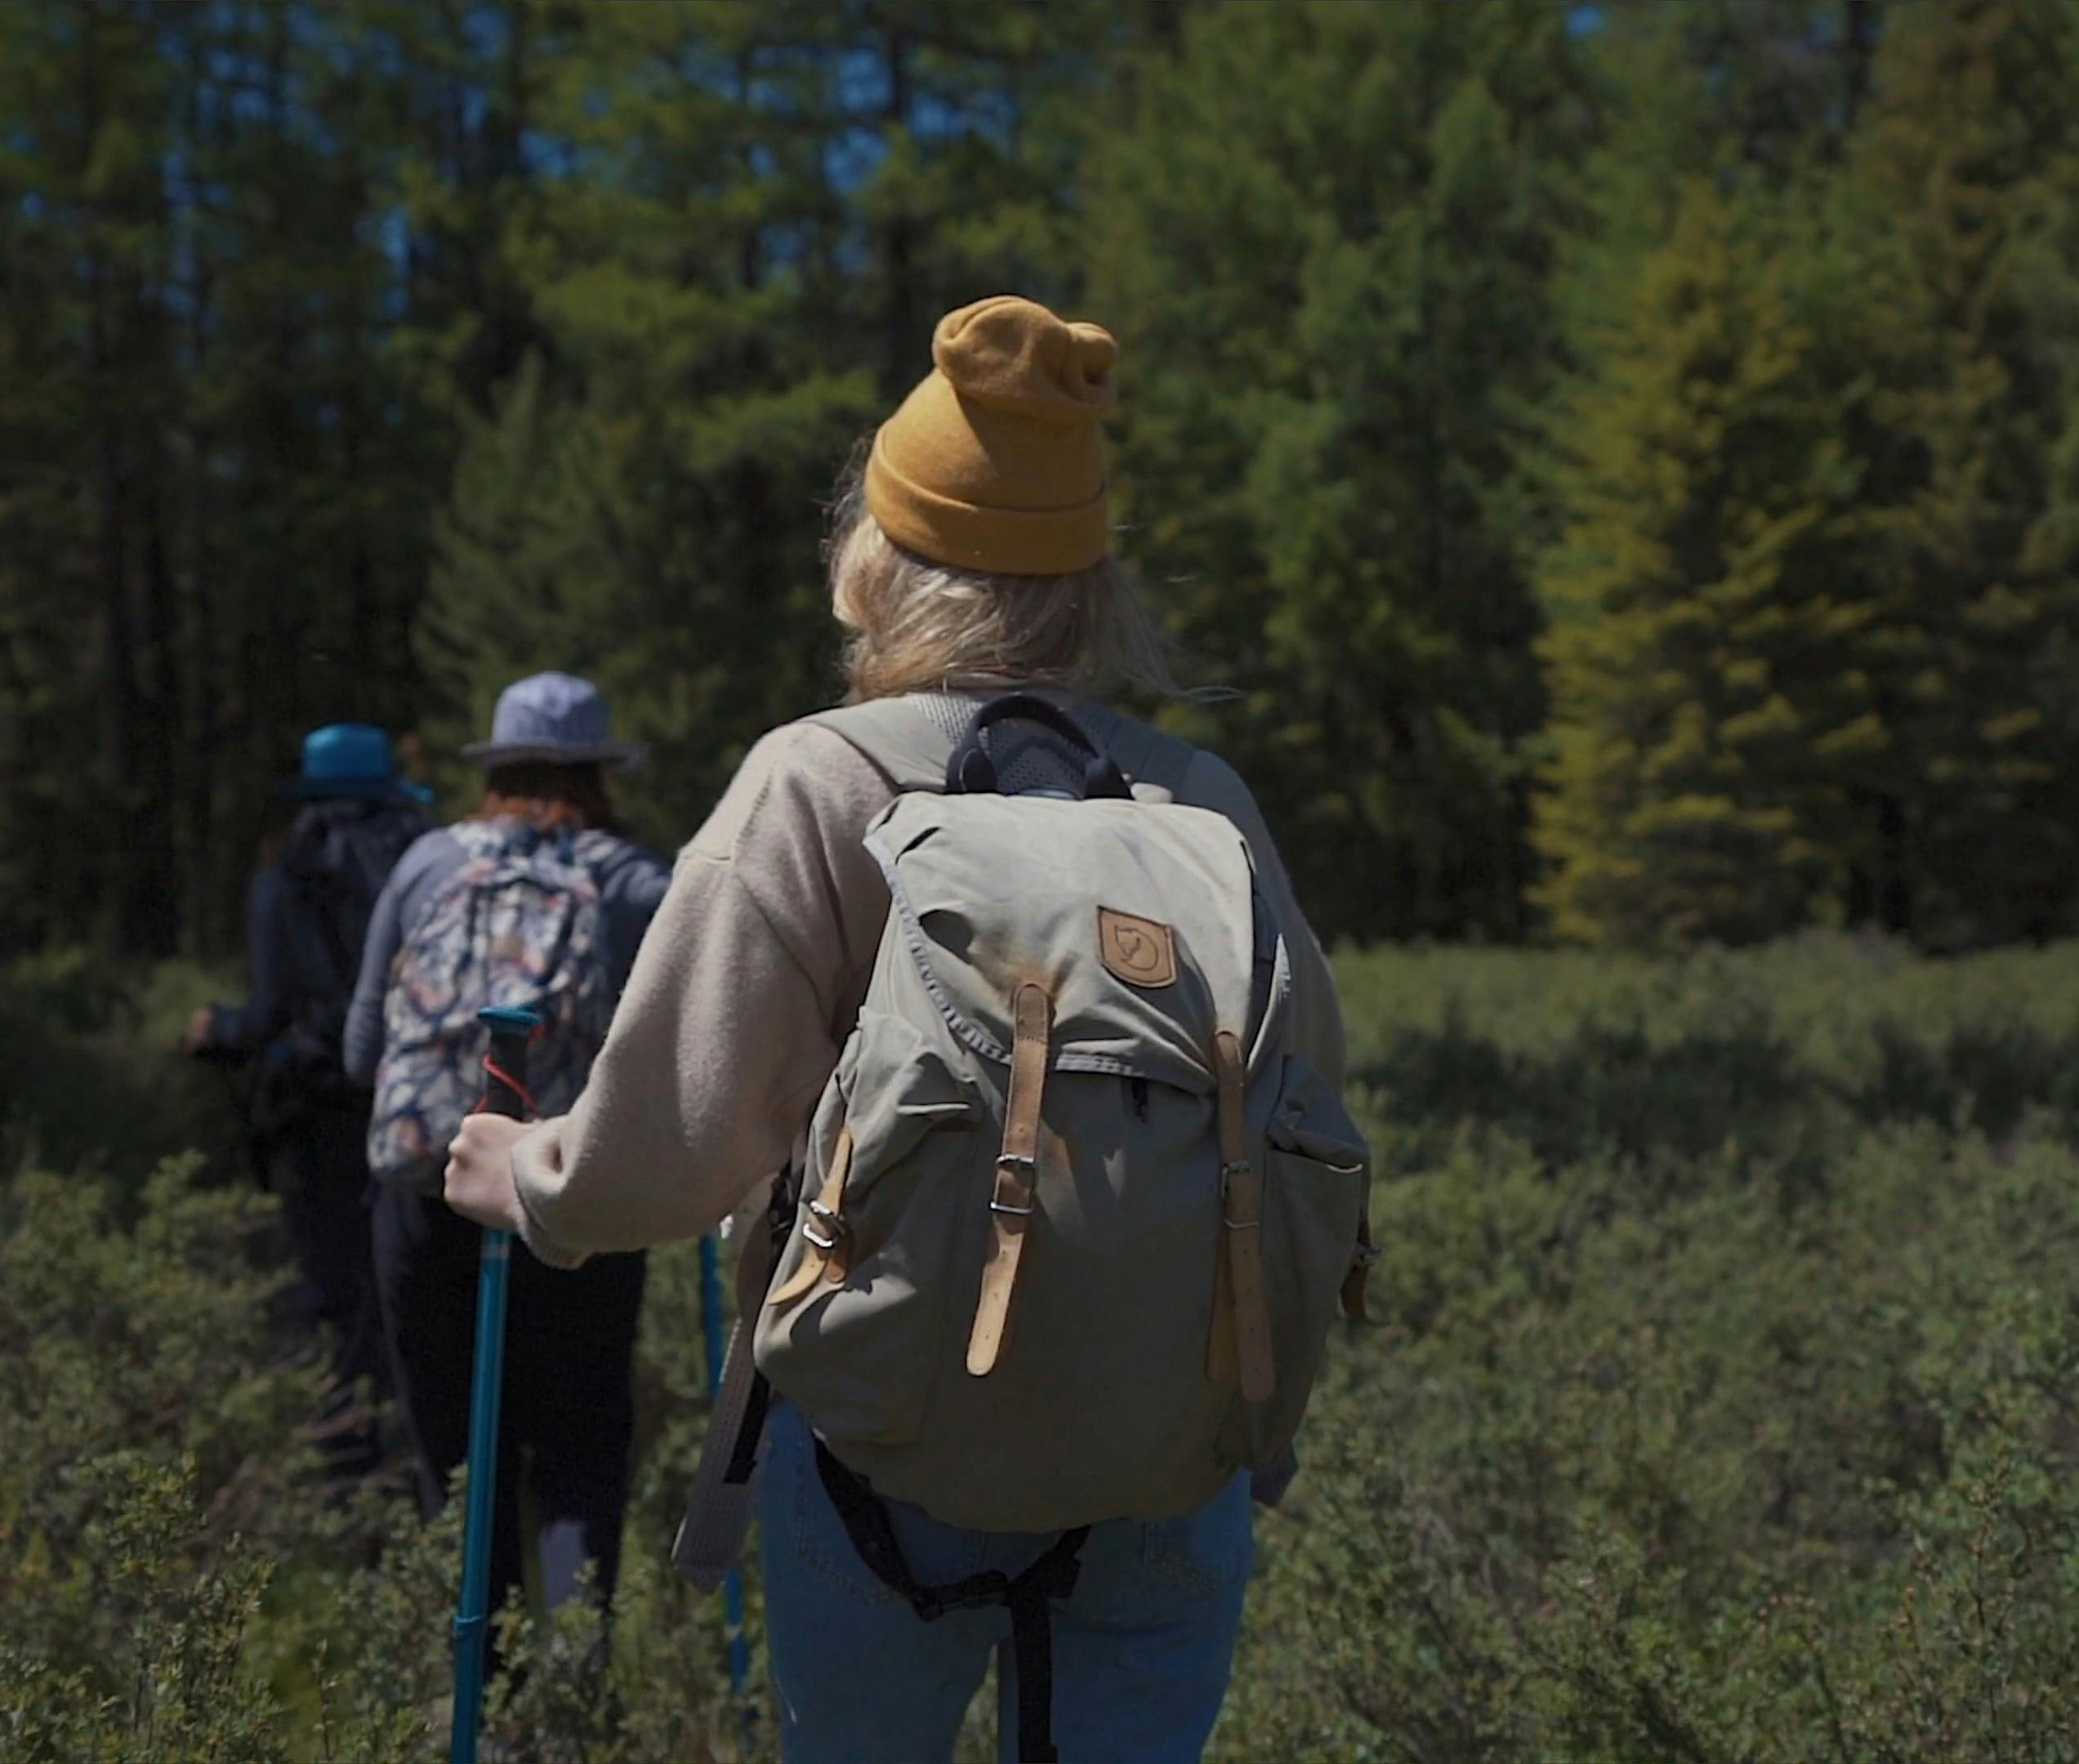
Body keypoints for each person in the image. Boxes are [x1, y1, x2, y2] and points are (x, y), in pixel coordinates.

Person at [437, 296, 1350, 1762]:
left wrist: (528, 1184)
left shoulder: (818, 781)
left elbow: (670, 1150)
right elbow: (1313, 1103)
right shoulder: (1199, 798)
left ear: (884, 560)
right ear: (1094, 574)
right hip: (1172, 1447)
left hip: (881, 1448)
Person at [345, 671, 670, 1626]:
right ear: (600, 774)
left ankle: (479, 1695)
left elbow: (363, 1048)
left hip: (428, 1192)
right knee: (576, 1456)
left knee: (457, 1456)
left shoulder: (426, 865)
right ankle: (568, 1700)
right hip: (571, 1196)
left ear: (498, 766)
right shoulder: (639, 884)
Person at [184, 721, 431, 1482]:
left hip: (315, 1106)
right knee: (409, 1284)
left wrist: (214, 1030)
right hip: (412, 1104)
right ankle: (423, 1456)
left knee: (329, 1285)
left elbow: (264, 1015)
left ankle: (349, 1462)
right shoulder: (422, 867)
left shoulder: (284, 877)